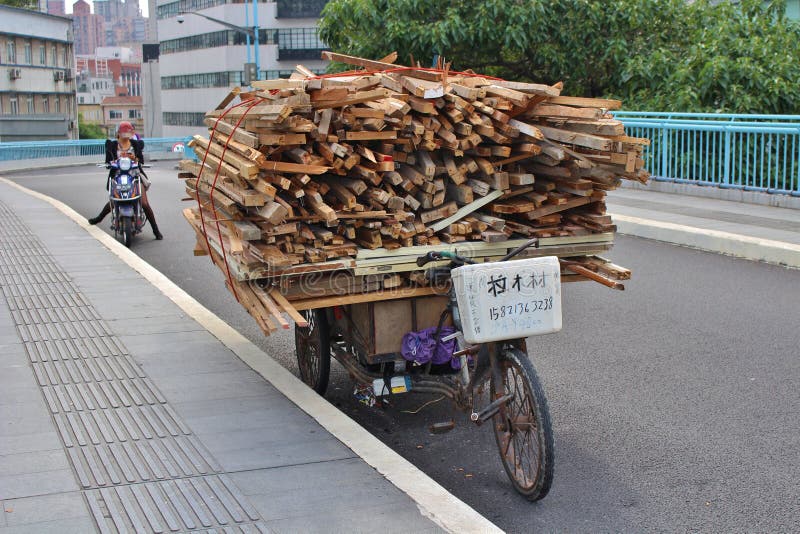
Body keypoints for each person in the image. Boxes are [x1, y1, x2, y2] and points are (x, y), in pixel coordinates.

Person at [88, 121, 163, 240]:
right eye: (124, 131)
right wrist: (114, 161)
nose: (126, 134)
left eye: (129, 132)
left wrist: (135, 158)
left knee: (144, 203)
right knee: (115, 199)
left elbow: (141, 161)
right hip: (118, 176)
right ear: (118, 133)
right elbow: (108, 162)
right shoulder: (112, 145)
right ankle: (99, 218)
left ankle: (156, 230)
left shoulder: (136, 145)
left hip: (134, 176)